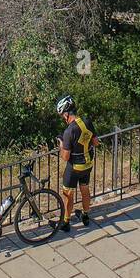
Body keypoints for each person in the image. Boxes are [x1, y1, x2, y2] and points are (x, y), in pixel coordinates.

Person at [56, 95, 97, 231]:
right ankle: (85, 215)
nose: (63, 118)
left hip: (74, 167)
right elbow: (96, 142)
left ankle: (66, 222)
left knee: (68, 193)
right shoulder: (87, 121)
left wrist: (61, 144)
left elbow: (66, 157)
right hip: (88, 164)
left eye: (62, 115)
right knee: (85, 189)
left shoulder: (69, 131)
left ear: (67, 114)